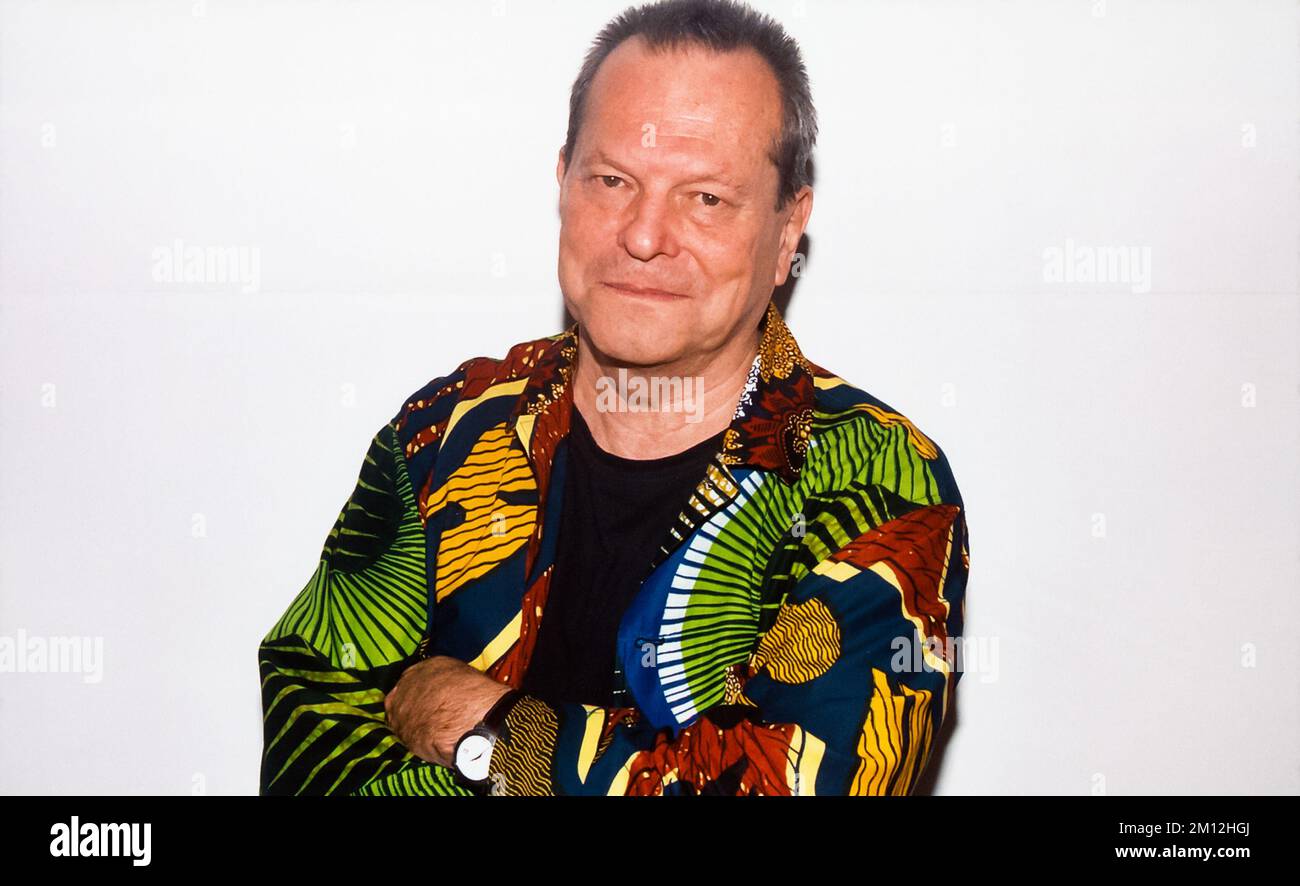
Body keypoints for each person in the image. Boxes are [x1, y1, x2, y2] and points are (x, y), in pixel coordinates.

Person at [258, 0, 970, 796]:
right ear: (562, 180)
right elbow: (310, 729)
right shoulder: (446, 431)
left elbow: (806, 785)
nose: (642, 234)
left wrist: (491, 734)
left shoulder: (879, 482)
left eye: (706, 198)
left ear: (785, 230)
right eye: (612, 180)